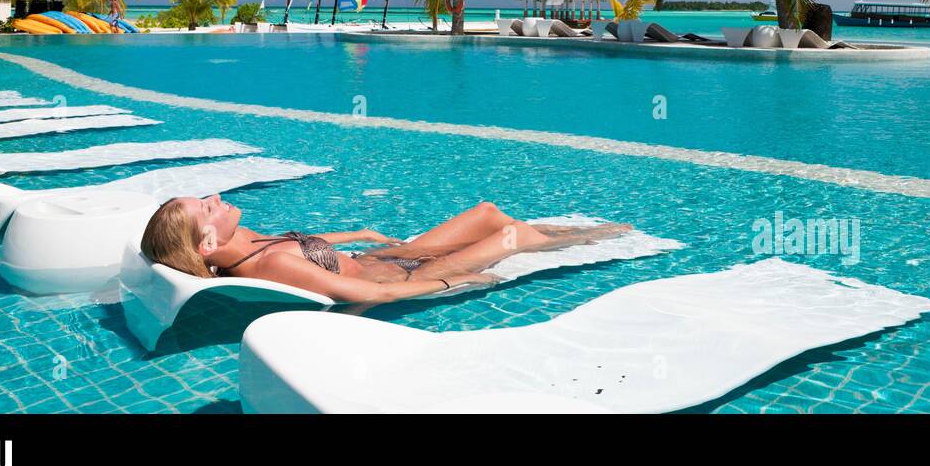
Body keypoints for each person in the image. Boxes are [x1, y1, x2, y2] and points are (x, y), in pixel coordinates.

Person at [141, 197, 631, 304]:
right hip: (395, 279)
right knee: (511, 238)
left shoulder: (244, 243)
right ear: (208, 243)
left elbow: (308, 245)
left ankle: (568, 231)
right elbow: (363, 296)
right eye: (206, 206)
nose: (215, 199)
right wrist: (450, 280)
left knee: (485, 213)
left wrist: (360, 235)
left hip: (382, 259)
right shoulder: (271, 265)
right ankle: (597, 235)